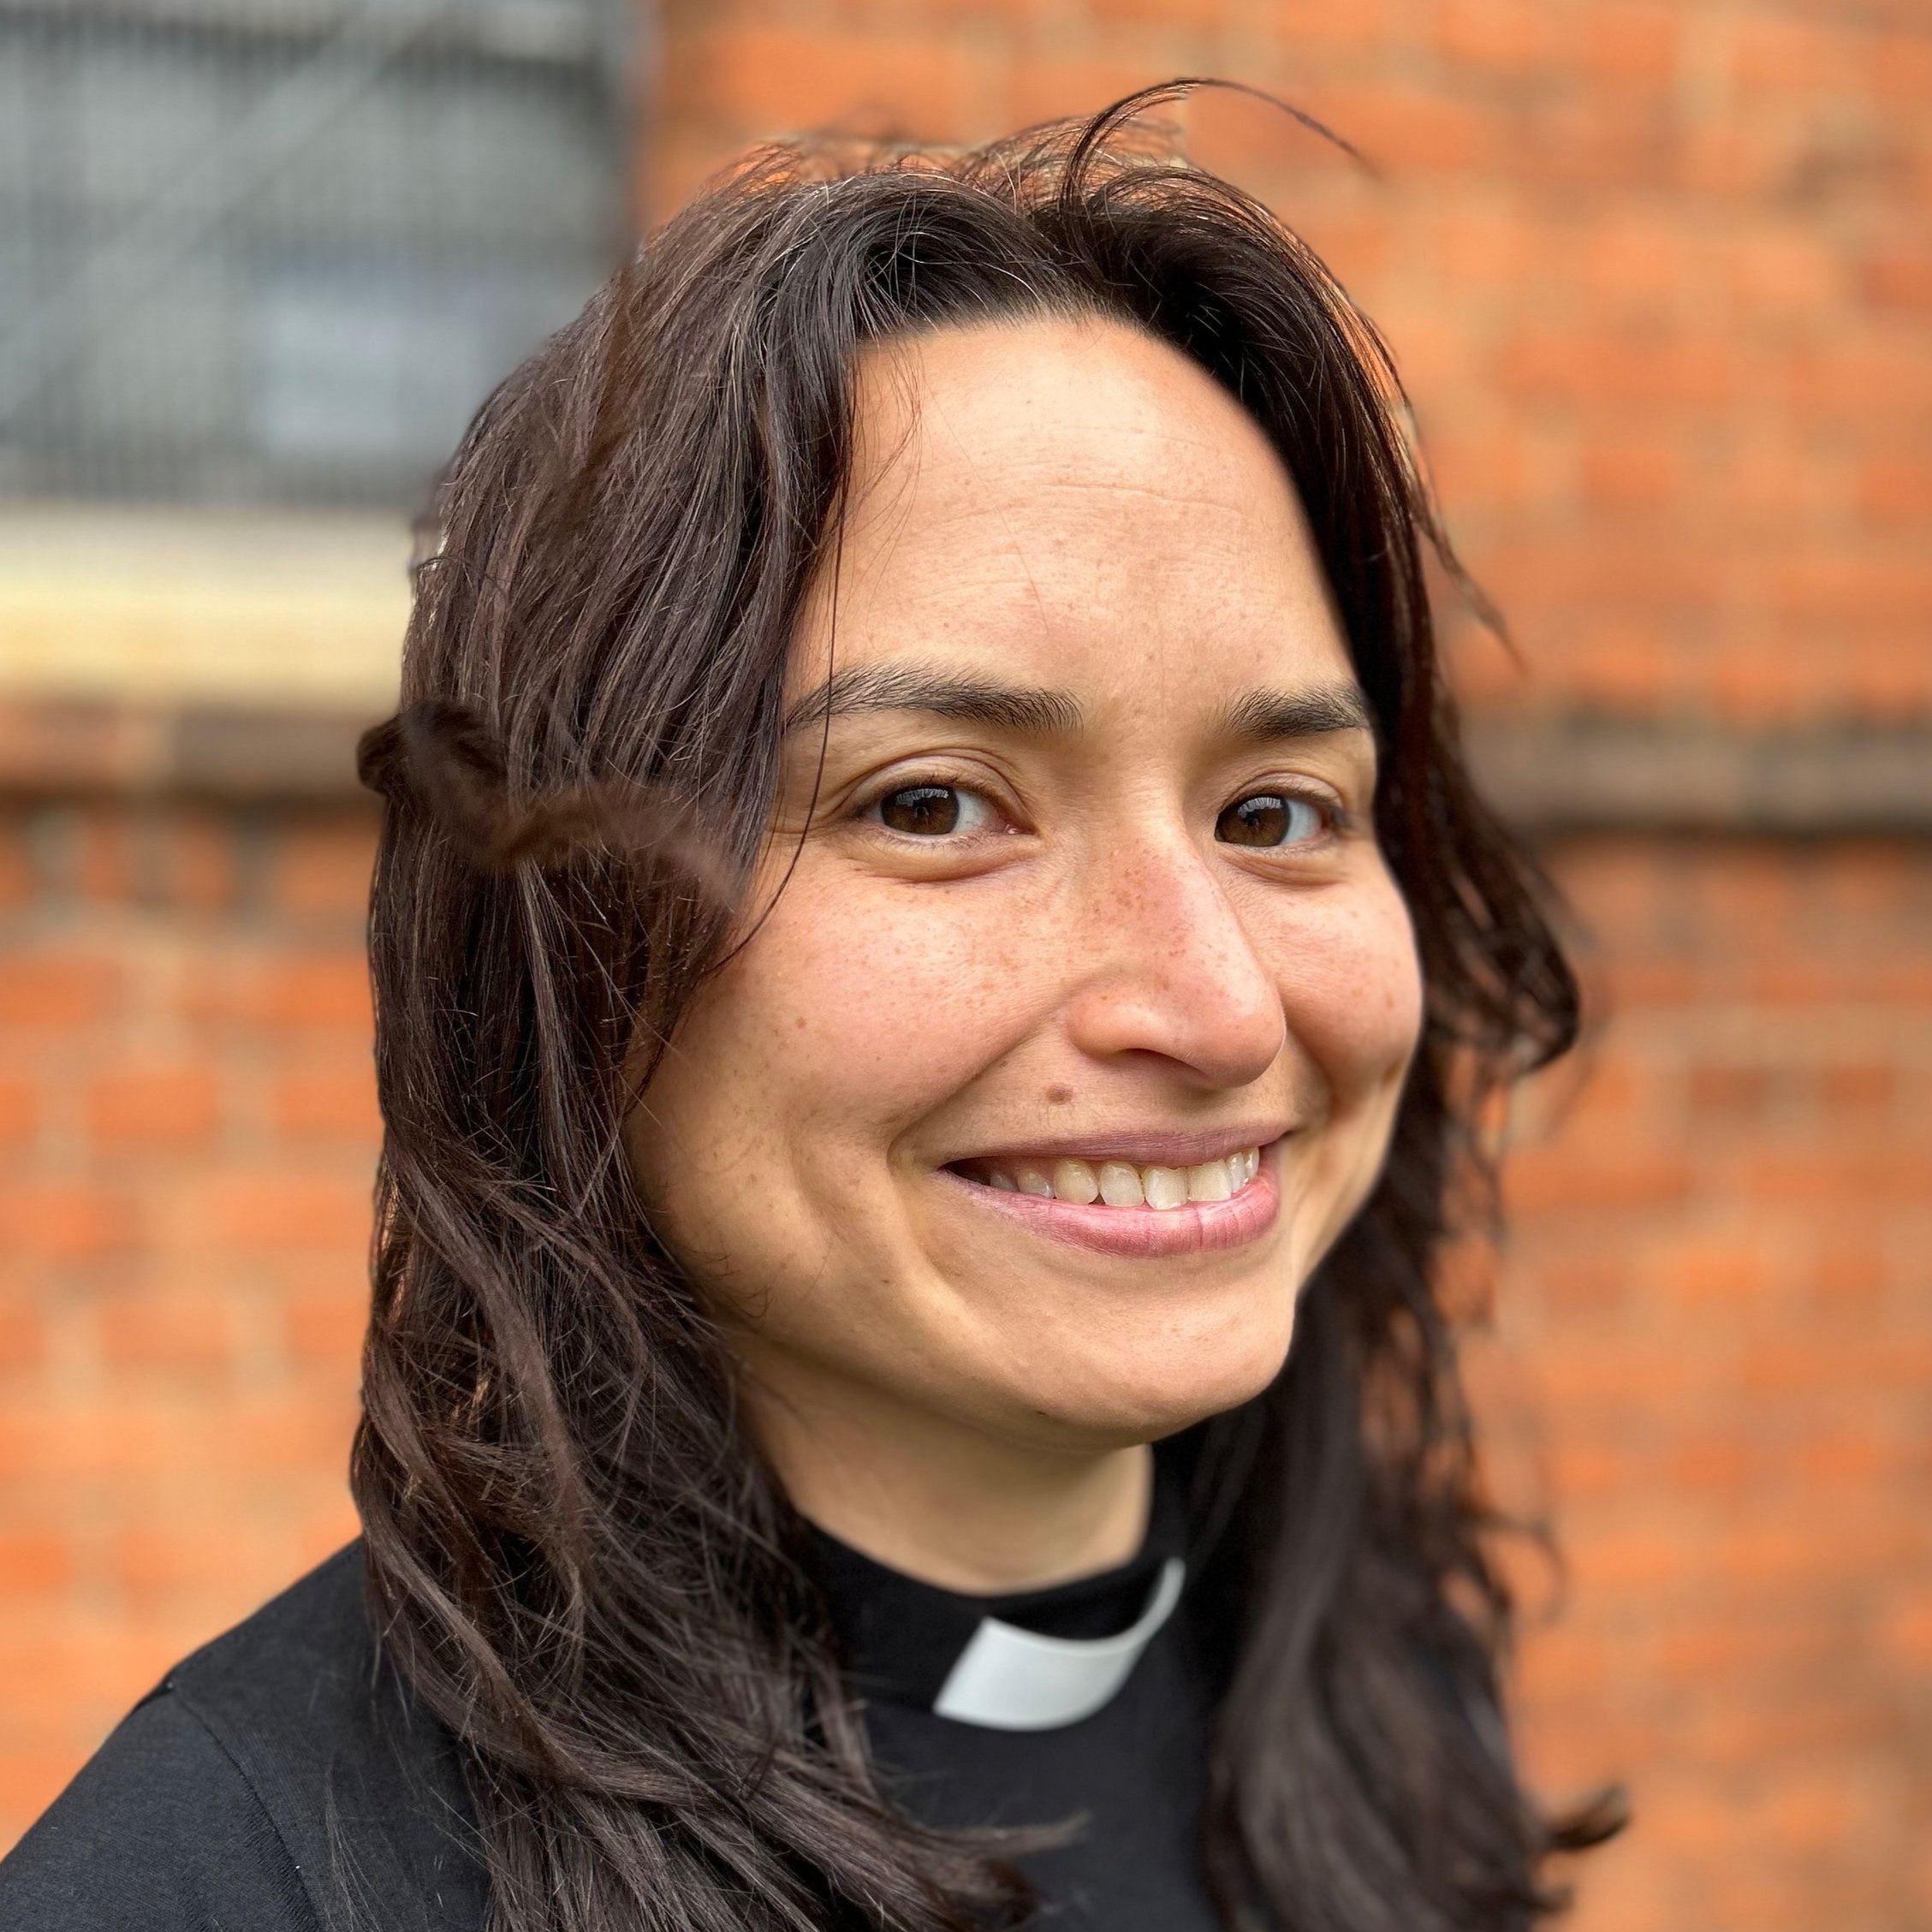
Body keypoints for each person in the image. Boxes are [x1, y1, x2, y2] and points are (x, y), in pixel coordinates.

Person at [0, 85, 1618, 1932]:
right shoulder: (231, 1882)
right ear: (565, 934)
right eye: (933, 803)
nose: (1216, 1002)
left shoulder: (1394, 1704)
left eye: (1276, 815)